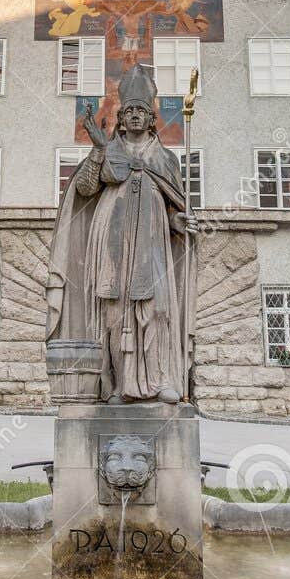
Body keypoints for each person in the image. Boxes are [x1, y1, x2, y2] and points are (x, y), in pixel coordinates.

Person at [45, 62, 197, 403]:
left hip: (153, 241)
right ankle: (117, 385)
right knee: (114, 313)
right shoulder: (108, 150)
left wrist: (178, 223)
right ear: (121, 118)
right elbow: (85, 189)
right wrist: (99, 150)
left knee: (157, 308)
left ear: (152, 118)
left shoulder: (166, 159)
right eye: (129, 111)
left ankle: (159, 381)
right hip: (111, 239)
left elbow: (173, 205)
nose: (135, 116)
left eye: (142, 111)